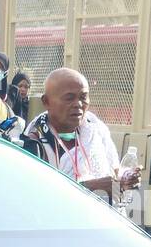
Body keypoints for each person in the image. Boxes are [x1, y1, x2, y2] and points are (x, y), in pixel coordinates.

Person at [20, 68, 140, 200]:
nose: (78, 104)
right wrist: (92, 187)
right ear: (46, 102)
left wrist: (125, 179)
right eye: (69, 98)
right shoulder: (33, 141)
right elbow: (36, 195)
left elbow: (114, 171)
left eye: (83, 97)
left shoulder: (95, 128)